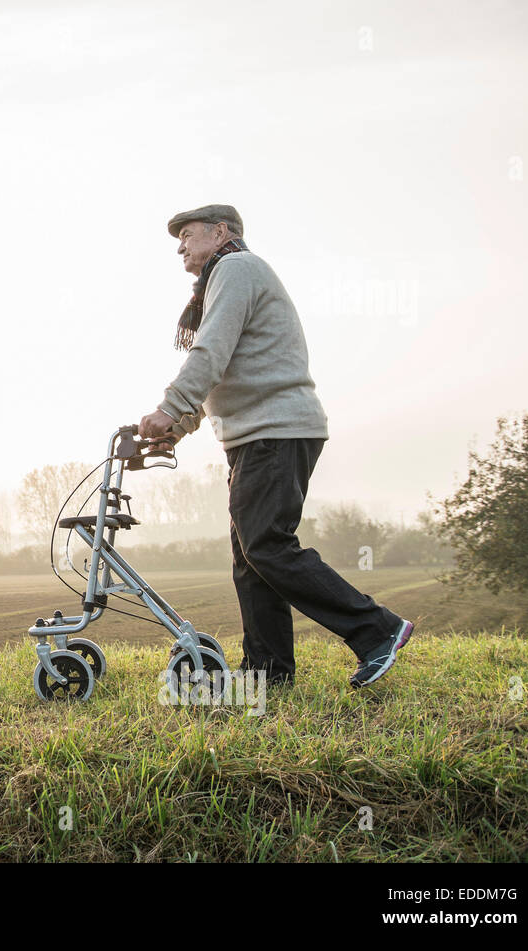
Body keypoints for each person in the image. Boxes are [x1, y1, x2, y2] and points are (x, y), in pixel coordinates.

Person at [138, 204, 412, 689]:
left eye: (187, 234)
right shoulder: (228, 276)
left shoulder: (237, 269)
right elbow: (222, 369)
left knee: (266, 544)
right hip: (259, 434)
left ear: (220, 232)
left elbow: (211, 351)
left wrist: (169, 405)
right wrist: (176, 427)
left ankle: (377, 631)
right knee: (252, 556)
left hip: (276, 431)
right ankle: (267, 674)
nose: (180, 245)